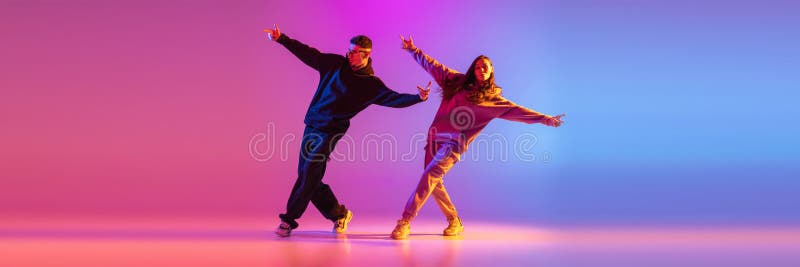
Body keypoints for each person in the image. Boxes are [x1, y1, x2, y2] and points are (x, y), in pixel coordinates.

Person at [390, 35, 565, 239]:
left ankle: (405, 221)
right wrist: (413, 50)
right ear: (473, 69)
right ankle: (454, 221)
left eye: (486, 67)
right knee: (434, 182)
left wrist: (546, 119)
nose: (482, 69)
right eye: (479, 66)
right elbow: (433, 66)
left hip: (453, 145)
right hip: (434, 138)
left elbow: (518, 111)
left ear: (491, 71)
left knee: (429, 176)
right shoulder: (455, 81)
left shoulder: (494, 101)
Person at [262, 25, 431, 237]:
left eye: (353, 52)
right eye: (349, 50)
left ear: (366, 55)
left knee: (310, 173)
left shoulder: (371, 85)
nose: (348, 55)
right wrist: (282, 39)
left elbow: (394, 98)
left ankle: (289, 220)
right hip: (312, 124)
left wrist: (418, 98)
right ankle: (340, 215)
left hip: (331, 132)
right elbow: (309, 54)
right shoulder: (334, 64)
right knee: (308, 177)